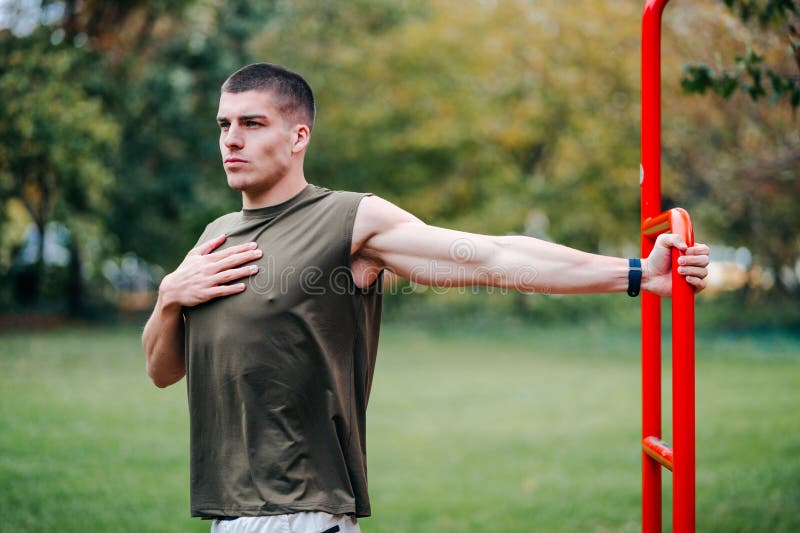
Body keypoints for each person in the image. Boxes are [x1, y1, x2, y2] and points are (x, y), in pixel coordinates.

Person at [141, 63, 710, 533]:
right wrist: (170, 297)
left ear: (297, 136)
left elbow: (491, 257)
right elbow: (163, 370)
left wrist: (637, 273)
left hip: (301, 514)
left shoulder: (348, 219)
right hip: (228, 513)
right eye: (223, 125)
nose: (232, 140)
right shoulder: (216, 237)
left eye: (252, 123)